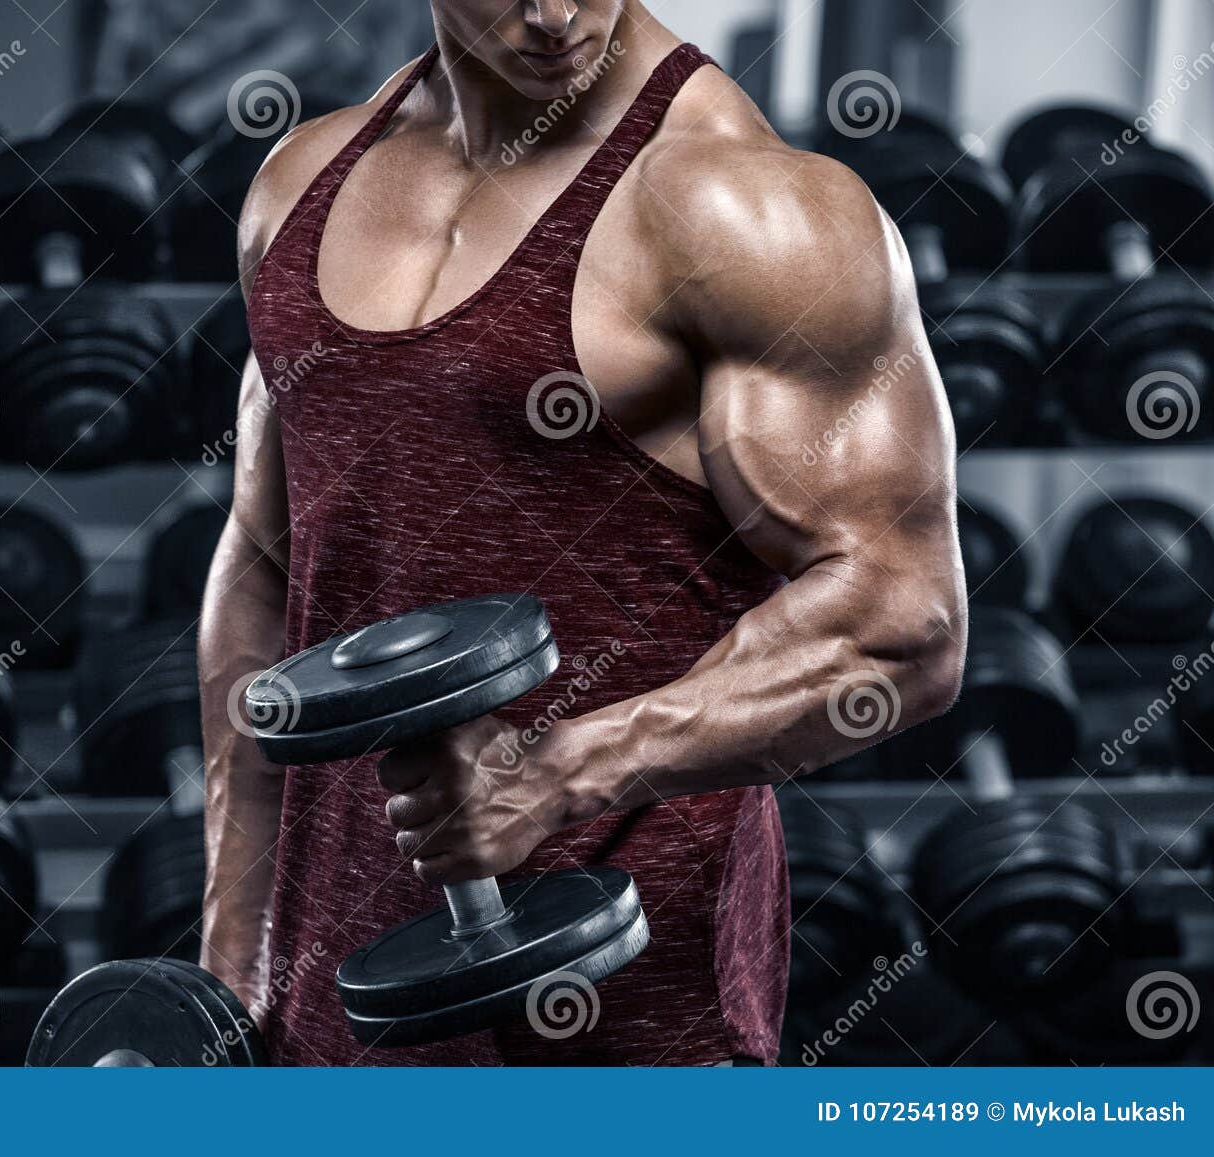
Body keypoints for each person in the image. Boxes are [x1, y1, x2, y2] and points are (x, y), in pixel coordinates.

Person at [197, 0, 966, 1066]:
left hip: (631, 1019)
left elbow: (902, 623)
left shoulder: (745, 209)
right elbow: (262, 564)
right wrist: (235, 958)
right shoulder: (298, 189)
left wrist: (561, 771)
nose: (555, 12)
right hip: (335, 1003)